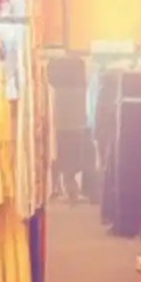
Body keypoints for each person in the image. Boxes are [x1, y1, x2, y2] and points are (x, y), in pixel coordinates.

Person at [47, 50, 90, 202]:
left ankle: (55, 187)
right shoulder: (79, 81)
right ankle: (70, 186)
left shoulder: (54, 86)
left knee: (56, 157)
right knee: (71, 159)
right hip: (75, 124)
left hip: (58, 123)